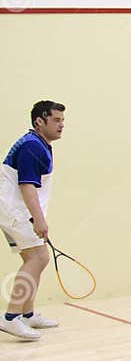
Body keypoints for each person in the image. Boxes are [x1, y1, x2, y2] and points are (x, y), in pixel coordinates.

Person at [0, 100, 65, 341]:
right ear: (39, 121)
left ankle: (26, 314)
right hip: (15, 212)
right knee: (38, 257)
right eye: (56, 120)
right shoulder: (31, 147)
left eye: (62, 120)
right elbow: (26, 186)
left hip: (13, 211)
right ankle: (10, 318)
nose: (61, 125)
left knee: (36, 258)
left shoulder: (38, 144)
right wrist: (39, 220)